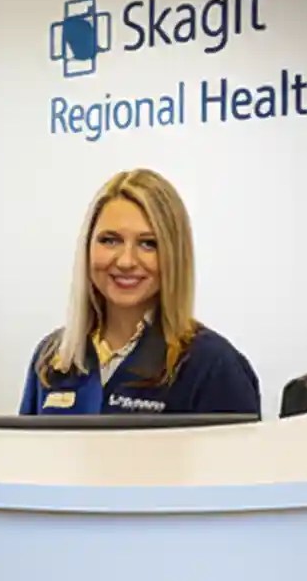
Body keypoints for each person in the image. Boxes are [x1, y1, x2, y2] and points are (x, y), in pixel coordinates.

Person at [19, 168, 260, 416]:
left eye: (148, 244)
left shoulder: (214, 366)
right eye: (110, 240)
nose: (126, 261)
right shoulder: (52, 358)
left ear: (174, 255)